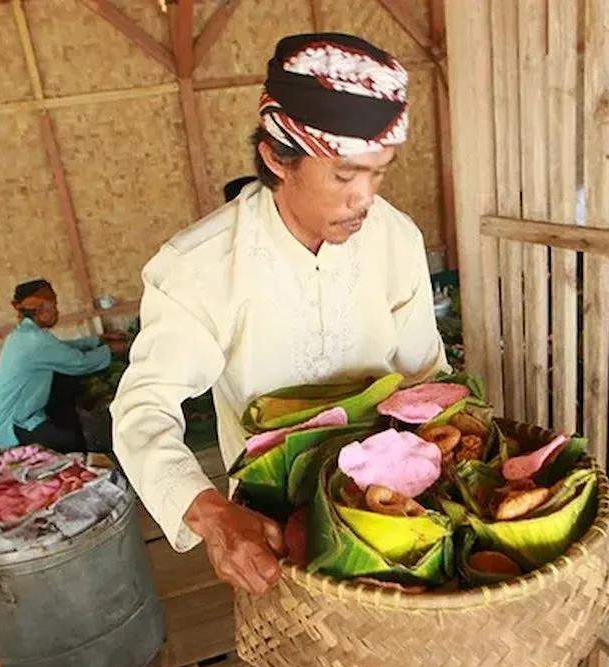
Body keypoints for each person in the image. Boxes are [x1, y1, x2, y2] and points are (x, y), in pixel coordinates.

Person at [111, 33, 448, 595]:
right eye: (344, 174)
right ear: (276, 157)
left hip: (397, 511)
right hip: (271, 530)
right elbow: (142, 409)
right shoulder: (200, 267)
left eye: (379, 172)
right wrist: (214, 516)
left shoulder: (396, 239)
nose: (364, 197)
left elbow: (424, 376)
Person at [0, 279, 128, 453]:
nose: (57, 311)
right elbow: (80, 363)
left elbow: (61, 350)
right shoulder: (35, 340)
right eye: (54, 306)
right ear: (40, 310)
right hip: (14, 425)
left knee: (63, 384)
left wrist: (98, 340)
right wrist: (111, 350)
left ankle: (64, 423)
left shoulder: (25, 334)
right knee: (72, 443)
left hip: (13, 415)